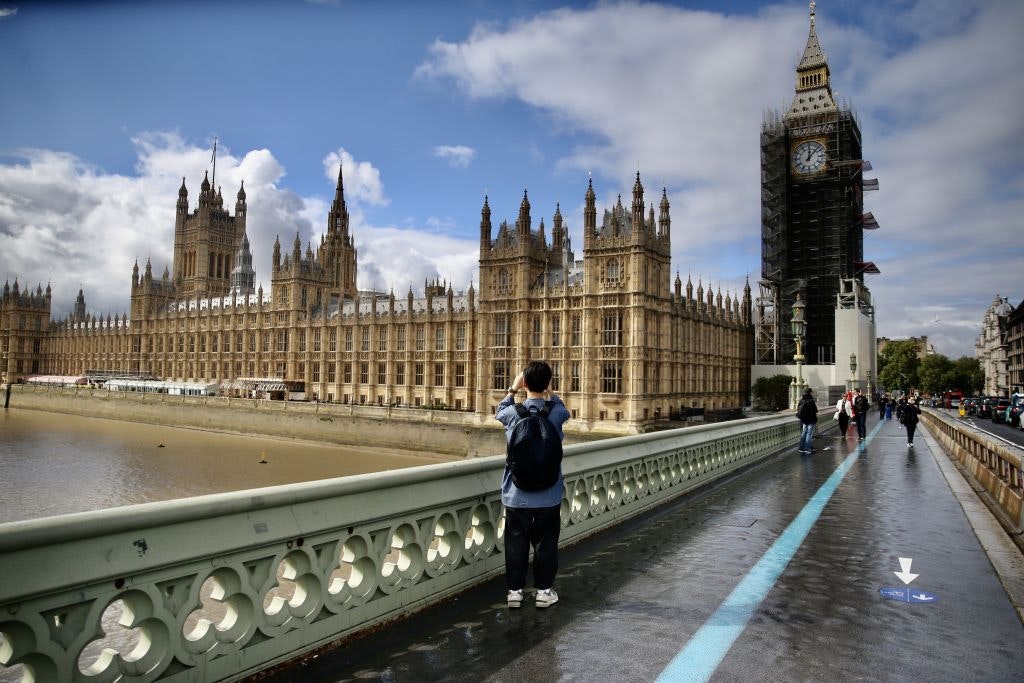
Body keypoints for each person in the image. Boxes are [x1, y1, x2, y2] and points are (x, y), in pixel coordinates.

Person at [495, 361, 570, 609]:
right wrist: (550, 392)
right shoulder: (556, 412)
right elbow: (563, 409)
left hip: (516, 493)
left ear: (525, 383)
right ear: (548, 384)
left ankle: (514, 593)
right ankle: (544, 592)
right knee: (546, 543)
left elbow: (499, 410)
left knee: (516, 543)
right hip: (549, 492)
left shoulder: (512, 413)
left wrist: (513, 389)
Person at [797, 387, 817, 453]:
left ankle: (801, 447)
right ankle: (807, 448)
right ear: (810, 393)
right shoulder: (811, 401)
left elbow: (798, 409)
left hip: (803, 420)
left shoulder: (801, 400)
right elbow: (815, 410)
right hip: (811, 419)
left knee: (804, 433)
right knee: (809, 434)